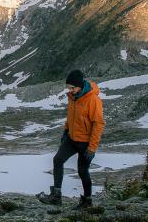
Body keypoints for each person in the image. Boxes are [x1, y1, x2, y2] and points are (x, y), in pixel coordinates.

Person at [37, 69, 105, 208]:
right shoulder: (73, 97)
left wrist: (92, 148)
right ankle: (56, 196)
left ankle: (87, 201)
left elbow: (98, 124)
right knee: (58, 160)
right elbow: (71, 117)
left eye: (72, 87)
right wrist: (66, 132)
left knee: (82, 171)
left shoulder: (93, 100)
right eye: (68, 87)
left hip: (85, 143)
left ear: (79, 85)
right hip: (72, 138)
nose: (70, 90)